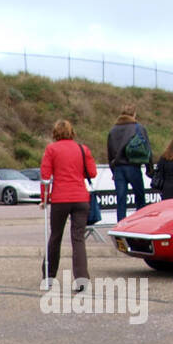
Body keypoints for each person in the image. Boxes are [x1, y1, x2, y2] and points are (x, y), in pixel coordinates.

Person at [39, 118, 97, 291]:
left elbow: (45, 176)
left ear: (55, 132)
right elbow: (92, 173)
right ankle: (81, 279)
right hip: (80, 197)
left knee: (55, 236)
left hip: (60, 199)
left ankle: (49, 277)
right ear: (72, 132)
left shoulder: (51, 149)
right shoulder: (82, 149)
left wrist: (44, 198)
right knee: (78, 239)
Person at [107, 103, 152, 222]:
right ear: (134, 114)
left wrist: (113, 170)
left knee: (121, 200)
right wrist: (149, 169)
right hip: (133, 166)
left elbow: (110, 153)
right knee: (140, 198)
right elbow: (147, 149)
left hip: (118, 168)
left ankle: (121, 226)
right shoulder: (138, 128)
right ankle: (140, 225)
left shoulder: (113, 130)